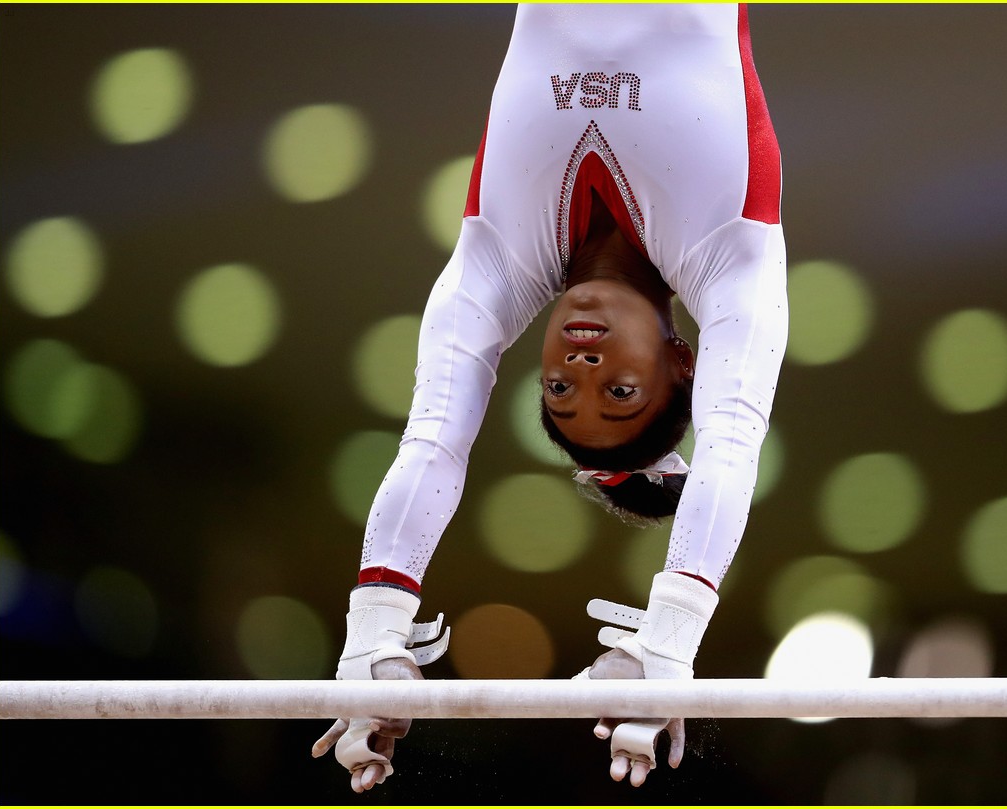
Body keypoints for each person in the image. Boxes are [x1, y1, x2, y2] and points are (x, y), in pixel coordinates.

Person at [311, 2, 787, 792]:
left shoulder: (493, 262)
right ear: (684, 363)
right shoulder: (734, 257)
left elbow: (433, 437)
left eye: (561, 388)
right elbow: (732, 441)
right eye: (620, 390)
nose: (583, 361)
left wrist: (373, 632)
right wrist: (669, 642)